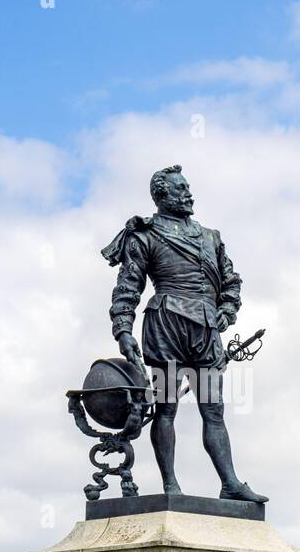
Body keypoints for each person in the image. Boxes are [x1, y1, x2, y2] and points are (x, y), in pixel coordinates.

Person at [102, 165, 266, 502]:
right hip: (166, 327)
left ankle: (230, 482)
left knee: (214, 409)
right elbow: (128, 286)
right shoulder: (144, 235)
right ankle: (171, 486)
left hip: (205, 329)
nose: (188, 193)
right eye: (180, 189)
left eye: (188, 187)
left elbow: (230, 280)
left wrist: (228, 308)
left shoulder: (211, 237)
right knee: (166, 407)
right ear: (162, 195)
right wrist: (123, 329)